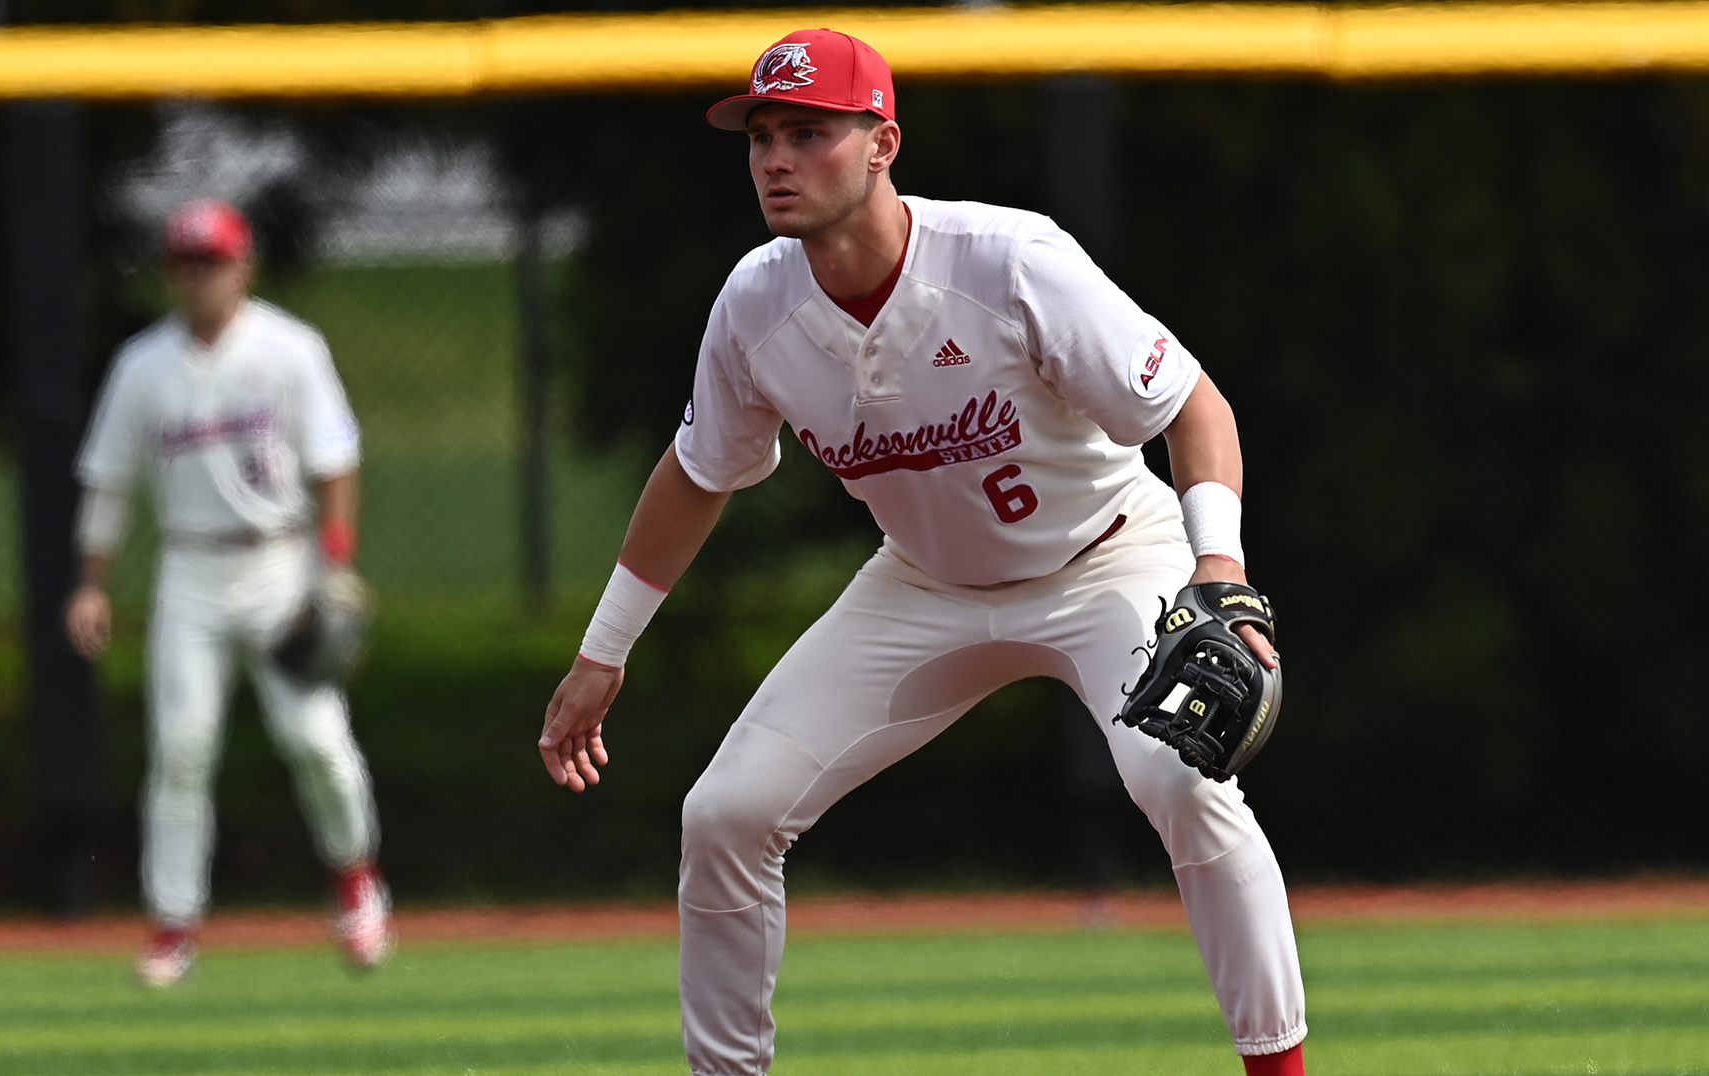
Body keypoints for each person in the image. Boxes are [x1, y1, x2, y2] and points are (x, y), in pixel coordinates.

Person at [538, 28, 1309, 1076]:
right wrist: (603, 649)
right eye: (761, 134)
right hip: (925, 585)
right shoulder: (756, 305)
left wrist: (1220, 570)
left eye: (808, 132)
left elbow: (1194, 407)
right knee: (724, 814)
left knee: (1181, 778)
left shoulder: (1009, 259)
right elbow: (697, 472)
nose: (774, 157)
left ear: (882, 141)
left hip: (1108, 558)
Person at [65, 199, 392, 987]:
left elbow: (334, 460)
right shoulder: (141, 367)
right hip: (190, 570)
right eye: (185, 262)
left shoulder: (288, 349)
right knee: (180, 748)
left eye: (212, 261)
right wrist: (90, 586)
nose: (198, 276)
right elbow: (107, 482)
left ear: (243, 266)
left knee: (314, 738)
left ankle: (354, 880)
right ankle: (173, 924)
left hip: (279, 562)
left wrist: (336, 565)